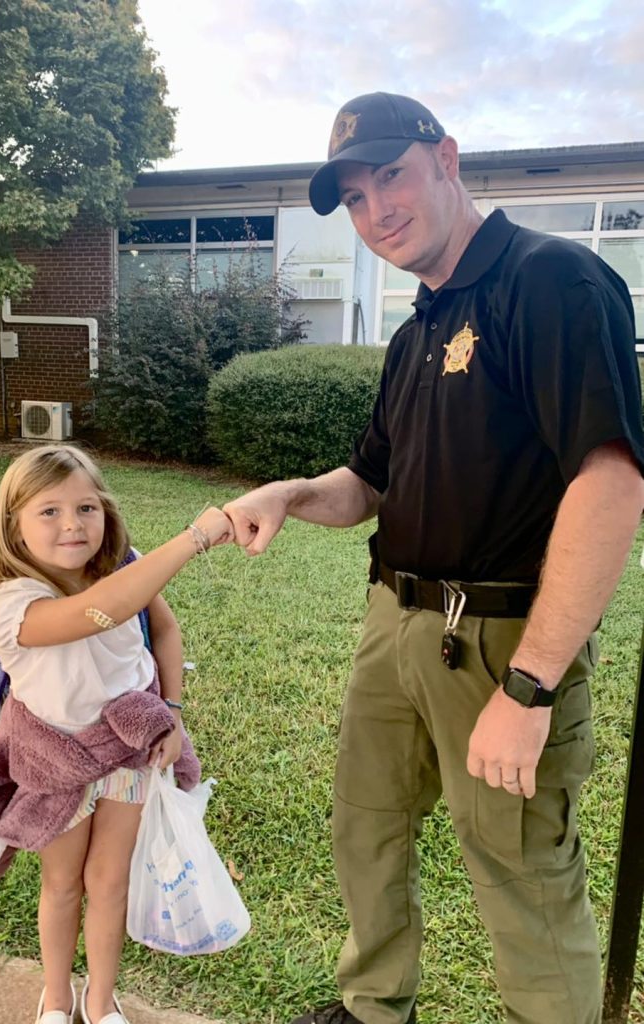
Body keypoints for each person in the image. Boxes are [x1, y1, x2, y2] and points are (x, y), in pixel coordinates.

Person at [223, 92, 644, 1024]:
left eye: (392, 179)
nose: (379, 212)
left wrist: (530, 689)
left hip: (501, 638)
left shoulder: (552, 282)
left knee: (521, 868)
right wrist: (289, 495)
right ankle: (374, 1007)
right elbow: (368, 483)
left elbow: (609, 483)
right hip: (395, 623)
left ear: (446, 159)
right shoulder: (418, 328)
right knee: (364, 827)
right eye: (357, 199)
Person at [0, 444, 233, 1024]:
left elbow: (165, 628)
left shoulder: (121, 566)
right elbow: (100, 612)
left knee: (109, 884)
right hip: (56, 763)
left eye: (86, 507)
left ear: (105, 510)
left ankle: (101, 1001)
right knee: (62, 886)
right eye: (49, 511)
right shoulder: (9, 602)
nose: (72, 525)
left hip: (130, 753)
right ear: (15, 526)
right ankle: (56, 999)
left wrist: (173, 712)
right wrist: (194, 538)